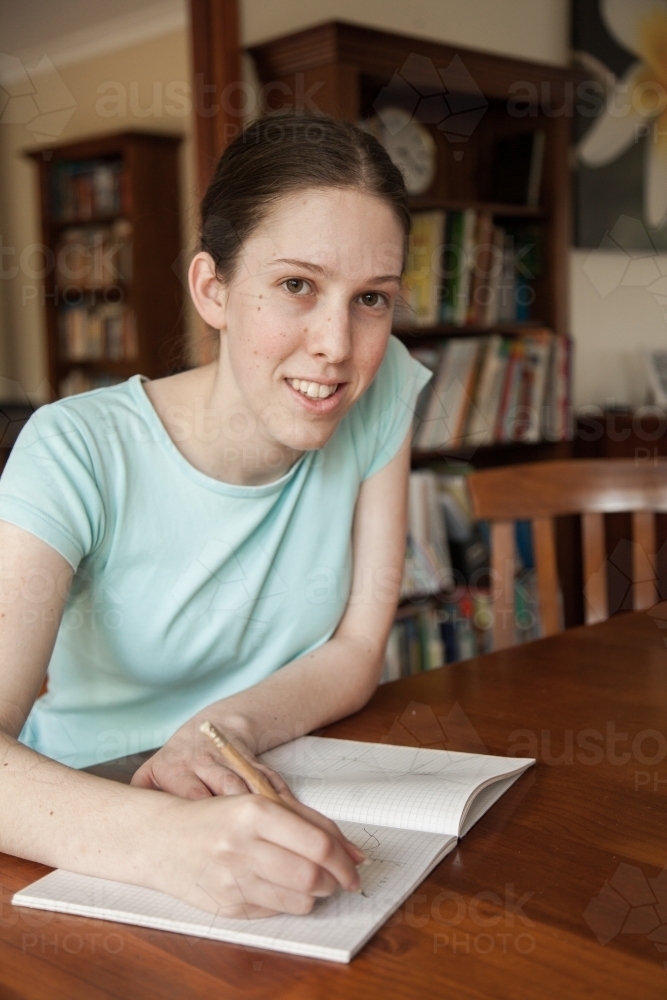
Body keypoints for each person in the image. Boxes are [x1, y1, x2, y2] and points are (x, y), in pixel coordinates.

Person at [0, 111, 431, 918]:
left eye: (370, 298)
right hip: (91, 816)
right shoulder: (76, 449)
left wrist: (217, 729)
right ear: (214, 289)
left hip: (283, 768)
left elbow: (356, 648)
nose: (337, 345)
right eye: (297, 285)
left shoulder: (383, 392)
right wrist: (164, 840)